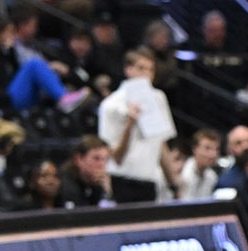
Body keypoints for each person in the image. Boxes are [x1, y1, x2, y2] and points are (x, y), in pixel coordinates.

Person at [97, 47, 175, 203]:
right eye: (141, 68)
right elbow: (115, 156)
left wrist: (173, 182)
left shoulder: (158, 98)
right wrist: (130, 124)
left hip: (150, 179)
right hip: (121, 179)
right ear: (128, 69)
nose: (145, 75)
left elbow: (161, 144)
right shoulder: (111, 105)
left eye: (150, 70)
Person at [57, 134, 116, 207]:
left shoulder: (99, 182)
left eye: (105, 159)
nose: (102, 165)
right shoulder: (64, 184)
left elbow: (110, 215)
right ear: (78, 159)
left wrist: (107, 192)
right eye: (96, 158)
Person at [177, 127, 222, 200]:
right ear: (194, 149)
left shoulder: (212, 176)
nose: (213, 154)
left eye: (216, 149)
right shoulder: (183, 173)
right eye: (207, 148)